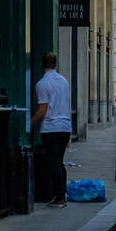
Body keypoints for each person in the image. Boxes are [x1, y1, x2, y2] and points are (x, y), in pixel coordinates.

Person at [30, 52, 72, 207]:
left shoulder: (42, 84)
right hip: (65, 126)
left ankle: (59, 198)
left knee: (53, 162)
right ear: (55, 64)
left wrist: (29, 123)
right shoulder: (64, 81)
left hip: (51, 128)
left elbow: (42, 110)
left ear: (42, 65)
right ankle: (62, 196)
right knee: (59, 161)